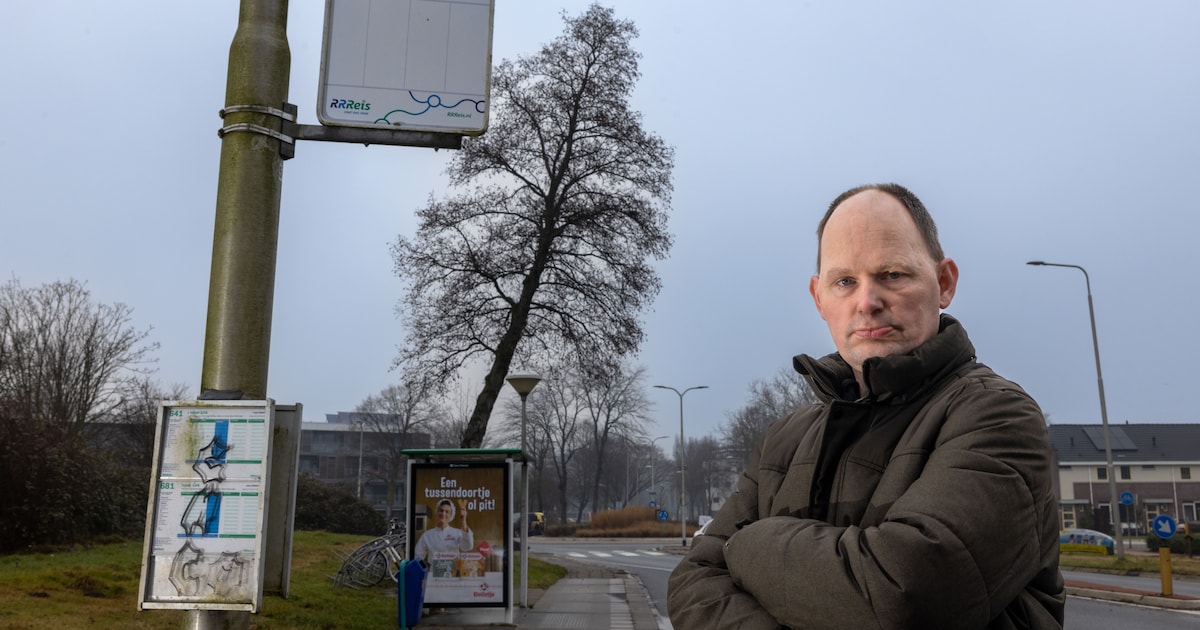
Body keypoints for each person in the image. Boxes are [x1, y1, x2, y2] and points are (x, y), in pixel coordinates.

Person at [667, 184, 1064, 629]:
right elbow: (692, 587)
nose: (867, 301)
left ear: (944, 283)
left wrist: (747, 544)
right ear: (820, 298)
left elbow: (903, 594)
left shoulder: (998, 417)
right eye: (845, 281)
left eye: (893, 274)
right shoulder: (784, 440)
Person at [414, 499, 474, 568]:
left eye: (447, 512)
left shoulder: (457, 533)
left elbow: (468, 547)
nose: (443, 514)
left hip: (452, 573)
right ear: (437, 512)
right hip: (434, 574)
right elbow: (417, 556)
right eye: (441, 510)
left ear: (451, 515)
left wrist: (463, 522)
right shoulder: (427, 535)